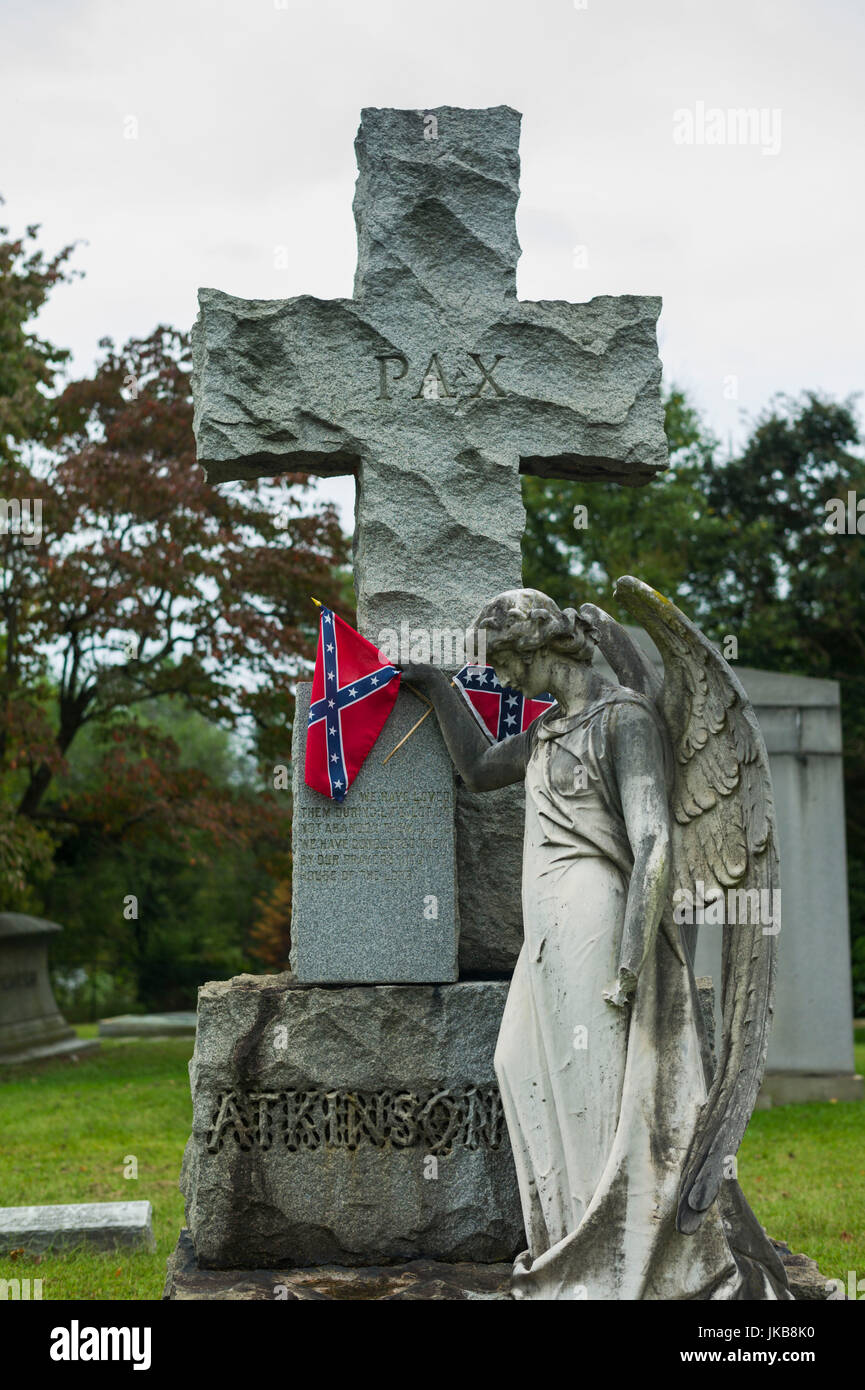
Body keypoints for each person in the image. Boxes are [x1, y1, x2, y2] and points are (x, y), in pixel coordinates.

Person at [405, 587, 791, 1300]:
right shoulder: (550, 730)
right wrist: (432, 688)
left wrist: (629, 959)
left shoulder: (626, 719)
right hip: (547, 930)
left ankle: (610, 1261)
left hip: (594, 918)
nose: (506, 681)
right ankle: (567, 1244)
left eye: (508, 664)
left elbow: (653, 843)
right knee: (520, 1064)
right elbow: (479, 768)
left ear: (540, 646)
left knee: (594, 1085)